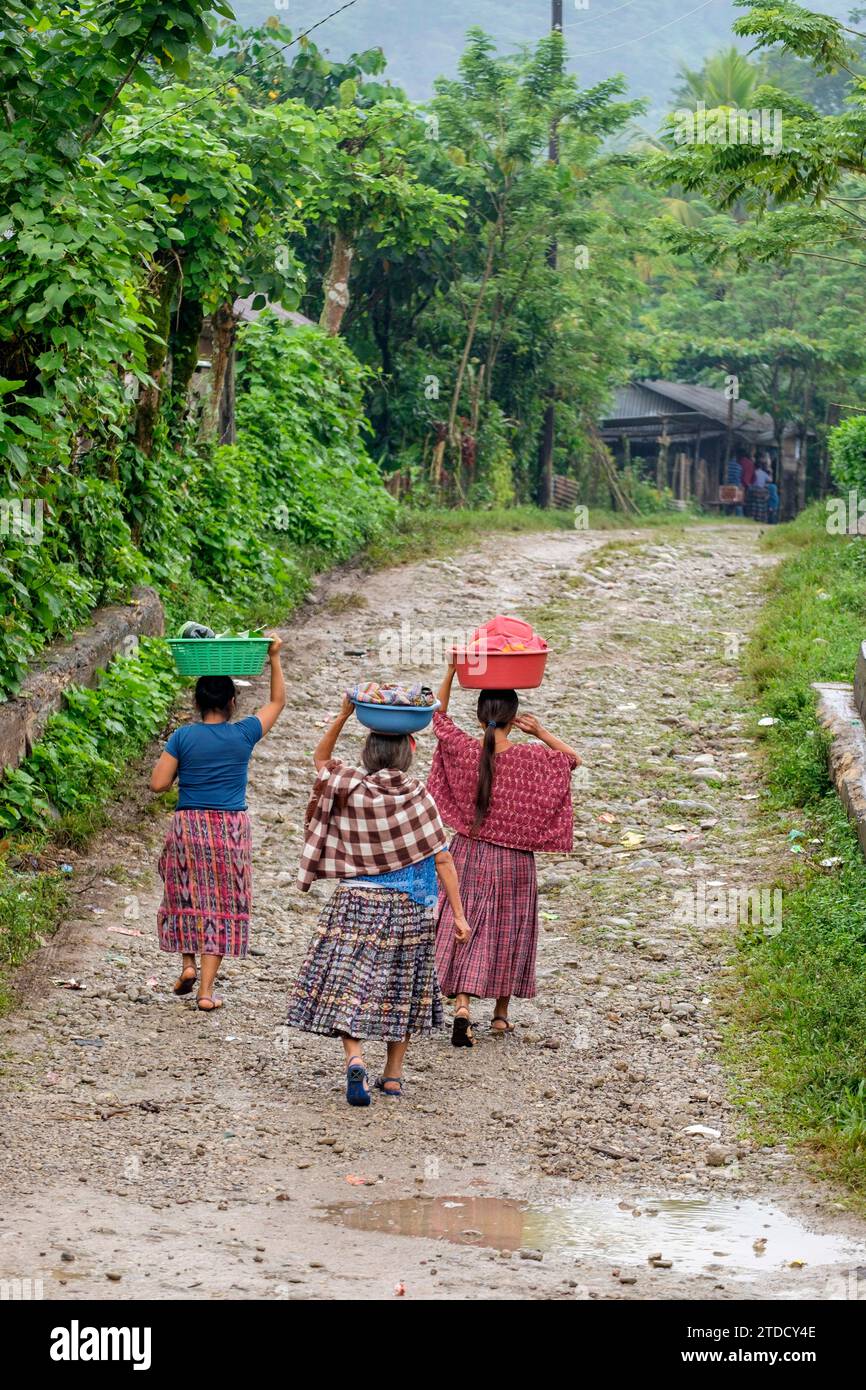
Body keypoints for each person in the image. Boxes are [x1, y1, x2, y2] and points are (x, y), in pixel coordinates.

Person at [287, 696, 470, 1106]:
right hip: (408, 906)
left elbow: (321, 758)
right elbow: (442, 857)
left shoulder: (347, 785)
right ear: (409, 754)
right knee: (401, 987)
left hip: (355, 901)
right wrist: (458, 914)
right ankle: (392, 1076)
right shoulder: (419, 797)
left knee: (348, 983)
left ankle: (355, 1058)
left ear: (367, 754)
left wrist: (343, 715)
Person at [428, 665, 581, 1047]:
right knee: (508, 928)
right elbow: (572, 759)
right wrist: (541, 732)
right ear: (515, 720)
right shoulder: (531, 760)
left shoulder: (464, 752)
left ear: (480, 717)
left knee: (464, 923)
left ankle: (462, 1004)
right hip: (515, 861)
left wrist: (450, 670)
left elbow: (438, 717)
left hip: (467, 852)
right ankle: (500, 1015)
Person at [150, 636, 285, 1010]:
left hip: (189, 825)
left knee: (185, 894)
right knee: (222, 904)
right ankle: (207, 993)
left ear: (197, 702)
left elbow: (158, 784)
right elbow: (277, 702)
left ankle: (188, 964)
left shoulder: (183, 736)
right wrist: (274, 658)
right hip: (229, 829)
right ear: (231, 703)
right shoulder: (243, 733)